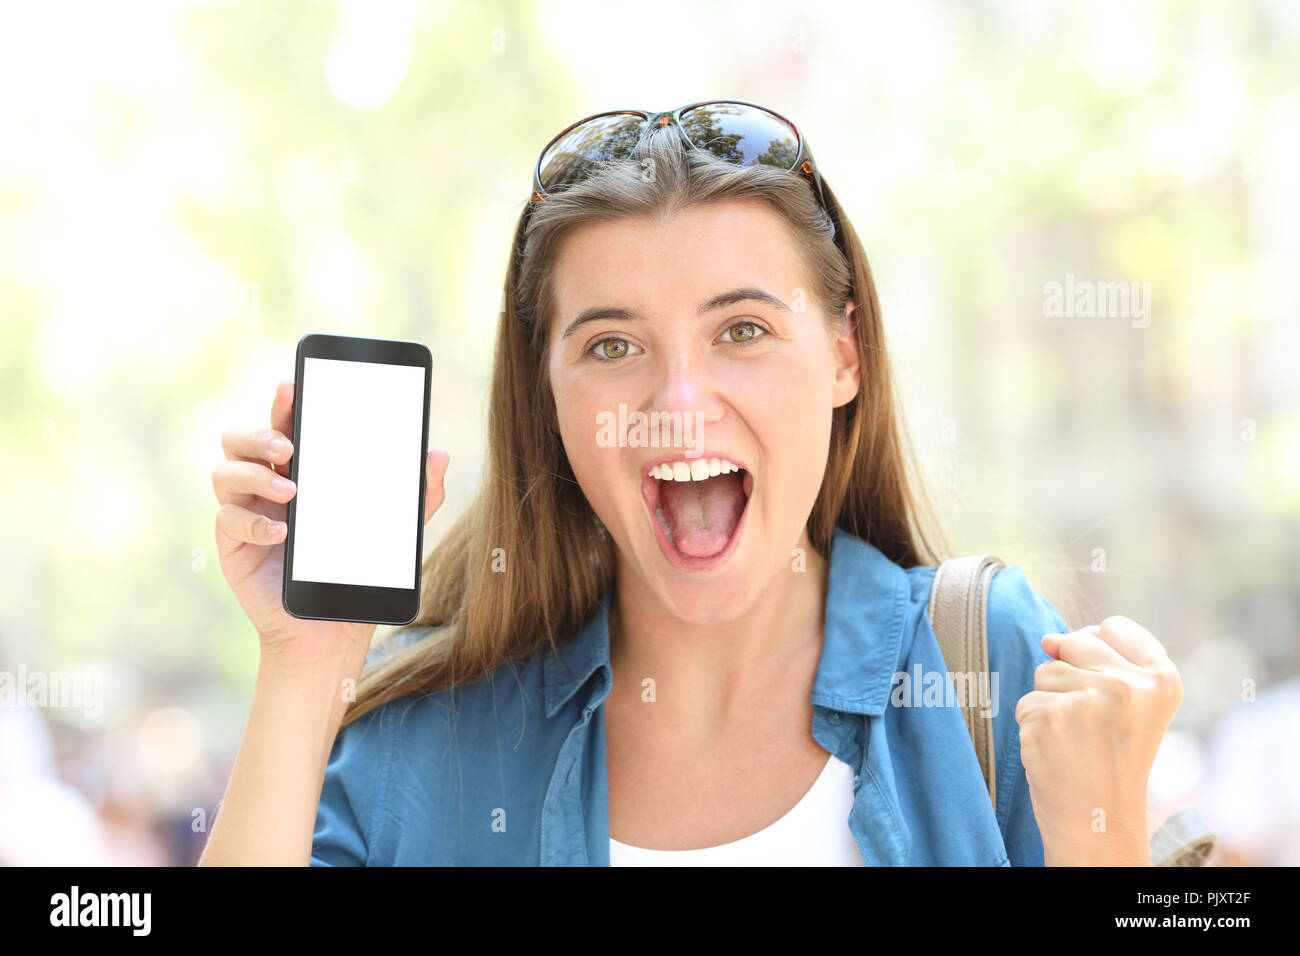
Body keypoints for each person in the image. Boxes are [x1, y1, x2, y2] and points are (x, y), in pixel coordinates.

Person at [198, 101, 1182, 866]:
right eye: (612, 343)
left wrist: (1102, 838)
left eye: (741, 330)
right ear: (546, 395)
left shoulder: (986, 663)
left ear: (844, 355)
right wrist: (306, 664)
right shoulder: (426, 741)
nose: (676, 399)